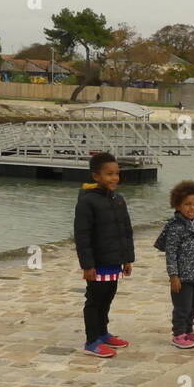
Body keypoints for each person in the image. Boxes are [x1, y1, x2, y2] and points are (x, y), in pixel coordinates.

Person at [74, 152, 134, 358]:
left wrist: (127, 259)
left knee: (108, 297)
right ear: (96, 176)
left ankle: (103, 333)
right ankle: (92, 341)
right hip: (97, 263)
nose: (115, 178)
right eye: (109, 174)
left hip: (114, 262)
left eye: (117, 173)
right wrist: (87, 265)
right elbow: (82, 236)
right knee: (94, 300)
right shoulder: (87, 202)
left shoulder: (119, 200)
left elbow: (126, 232)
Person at [154, 180, 194, 349]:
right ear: (178, 205)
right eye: (187, 204)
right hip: (182, 277)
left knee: (193, 306)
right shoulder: (175, 228)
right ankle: (178, 334)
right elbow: (171, 254)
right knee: (182, 307)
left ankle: (189, 331)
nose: (192, 208)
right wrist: (173, 276)